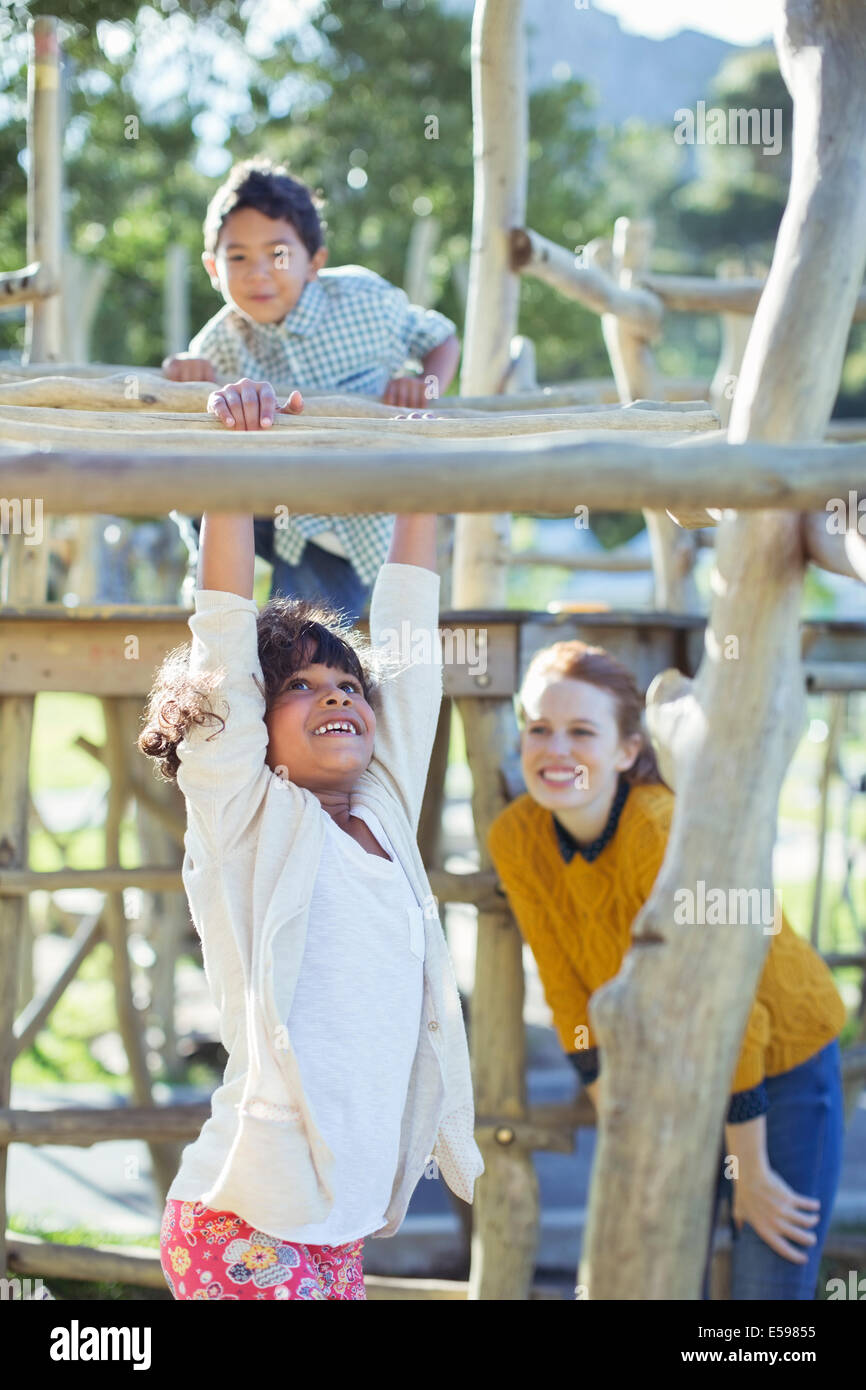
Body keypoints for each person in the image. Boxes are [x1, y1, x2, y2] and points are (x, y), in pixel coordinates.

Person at [139, 384, 482, 1301]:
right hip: (247, 1217)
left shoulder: (383, 812)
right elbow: (221, 639)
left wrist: (418, 466)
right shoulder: (250, 817)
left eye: (347, 684)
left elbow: (408, 648)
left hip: (341, 1223)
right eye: (302, 687)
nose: (338, 695)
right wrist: (236, 459)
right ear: (254, 718)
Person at [487, 638, 847, 1300]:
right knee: (656, 1274)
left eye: (581, 732)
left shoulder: (659, 835)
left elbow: (736, 1013)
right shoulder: (517, 837)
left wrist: (751, 1169)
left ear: (627, 751)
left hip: (778, 1056)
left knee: (767, 1287)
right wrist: (613, 1108)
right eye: (538, 728)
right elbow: (566, 993)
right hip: (667, 1071)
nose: (555, 749)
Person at [163, 157, 460, 621]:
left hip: (346, 525)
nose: (257, 273)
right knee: (192, 467)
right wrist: (186, 376)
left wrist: (425, 385)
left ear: (315, 262)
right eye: (237, 257)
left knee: (301, 642)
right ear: (213, 269)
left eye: (277, 255)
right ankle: (208, 583)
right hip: (267, 502)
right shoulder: (218, 341)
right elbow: (189, 397)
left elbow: (440, 336)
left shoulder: (365, 302)